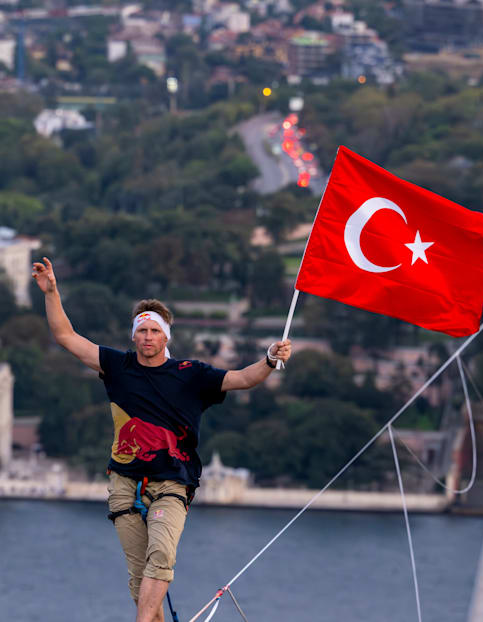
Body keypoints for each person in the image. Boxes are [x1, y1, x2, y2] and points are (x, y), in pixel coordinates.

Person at [31, 257, 293, 622]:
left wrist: (268, 359)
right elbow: (66, 337)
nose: (148, 337)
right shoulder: (117, 367)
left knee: (161, 557)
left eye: (154, 331)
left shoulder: (191, 375)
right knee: (140, 583)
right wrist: (52, 292)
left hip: (172, 481)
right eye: (142, 331)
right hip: (124, 482)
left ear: (166, 336)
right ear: (133, 335)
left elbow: (243, 379)